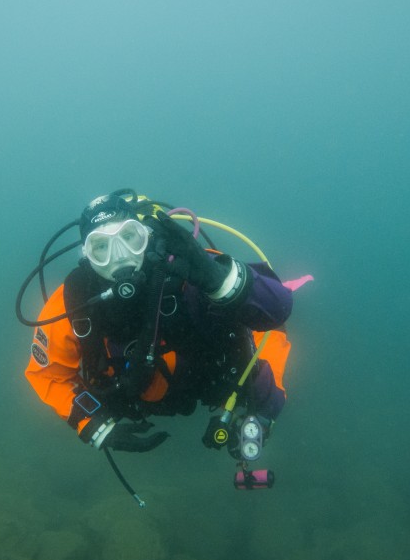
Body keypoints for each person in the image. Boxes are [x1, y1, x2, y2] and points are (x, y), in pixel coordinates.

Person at [23, 190, 294, 459]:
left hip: (214, 384)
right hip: (134, 399)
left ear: (145, 236)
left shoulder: (188, 268)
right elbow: (48, 374)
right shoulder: (74, 300)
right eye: (101, 247)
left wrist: (218, 280)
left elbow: (277, 313)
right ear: (87, 255)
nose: (118, 256)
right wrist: (93, 426)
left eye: (128, 238)